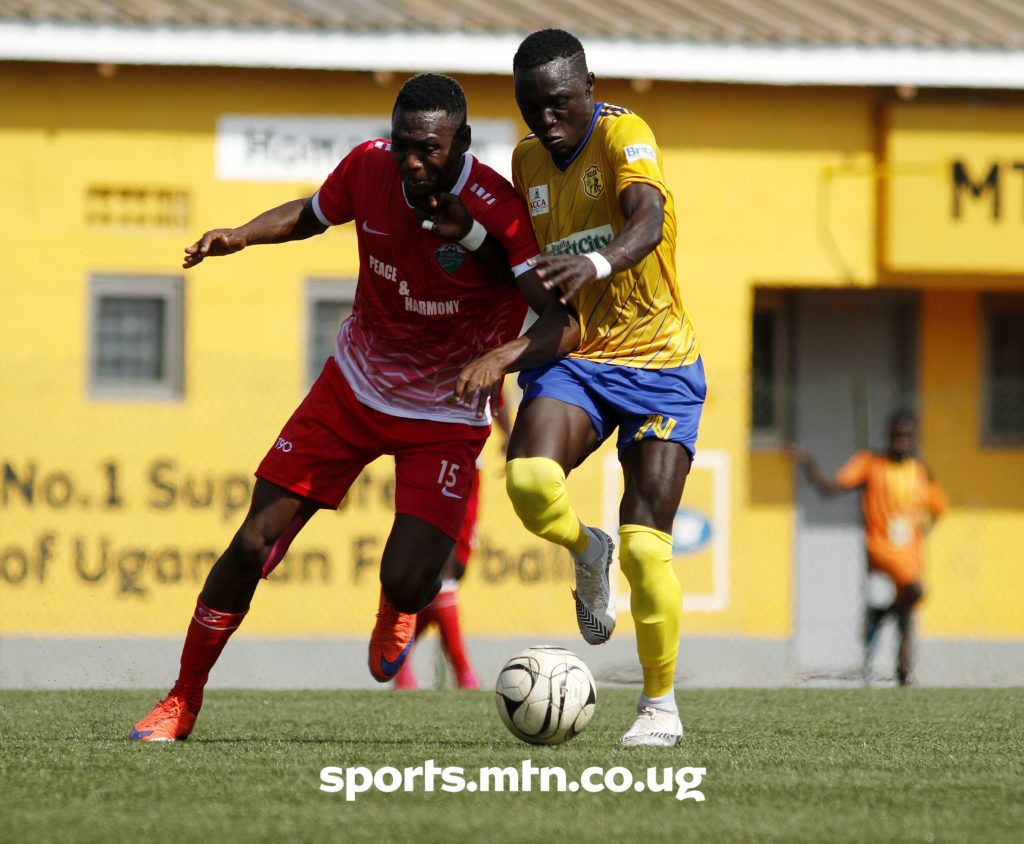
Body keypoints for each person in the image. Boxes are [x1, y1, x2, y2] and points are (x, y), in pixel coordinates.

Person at [129, 73, 579, 742]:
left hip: (447, 415)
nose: (412, 162)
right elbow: (312, 213)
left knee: (411, 576)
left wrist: (499, 358)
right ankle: (181, 700)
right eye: (403, 145)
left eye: (428, 149)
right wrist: (244, 235)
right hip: (354, 386)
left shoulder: (499, 208)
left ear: (462, 146)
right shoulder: (370, 167)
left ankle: (396, 602)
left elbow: (564, 323)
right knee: (254, 541)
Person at [452, 29, 706, 747]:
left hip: (660, 366)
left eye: (560, 102)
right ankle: (583, 550)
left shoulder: (625, 133)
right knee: (529, 481)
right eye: (532, 106)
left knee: (649, 549)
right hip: (580, 355)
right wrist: (471, 246)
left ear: (589, 85)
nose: (547, 119)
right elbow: (533, 268)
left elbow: (648, 219)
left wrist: (597, 265)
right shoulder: (527, 158)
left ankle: (659, 706)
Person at [789, 412, 947, 686]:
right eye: (897, 435)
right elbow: (831, 488)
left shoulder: (921, 473)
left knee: (907, 615)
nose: (901, 441)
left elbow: (939, 507)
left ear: (913, 439)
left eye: (907, 436)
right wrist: (809, 463)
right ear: (889, 436)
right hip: (881, 550)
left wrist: (925, 526)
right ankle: (887, 620)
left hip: (910, 554)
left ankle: (903, 672)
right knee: (914, 592)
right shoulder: (871, 463)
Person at [393, 403, 511, 691]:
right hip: (436, 453)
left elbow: (495, 386)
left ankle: (398, 654)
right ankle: (464, 674)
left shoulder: (486, 360)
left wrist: (510, 432)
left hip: (471, 462)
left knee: (455, 567)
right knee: (443, 568)